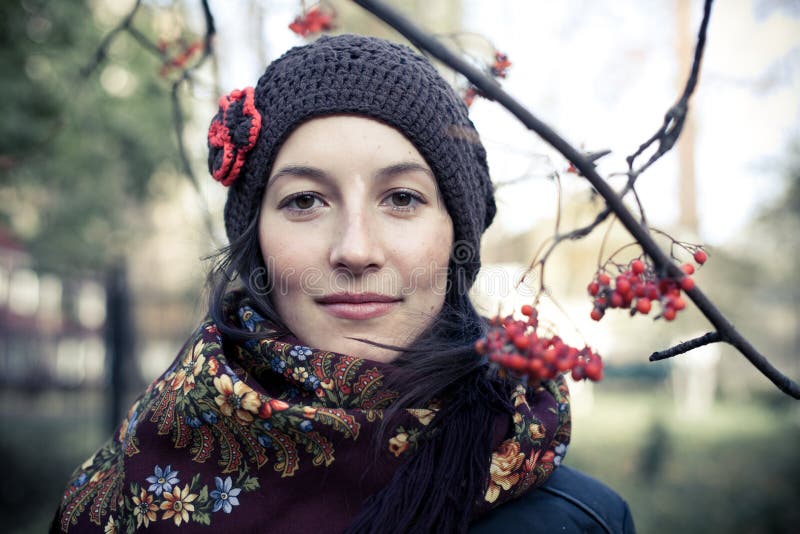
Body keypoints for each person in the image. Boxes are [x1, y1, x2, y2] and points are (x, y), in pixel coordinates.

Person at [51, 34, 634, 533]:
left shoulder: (579, 520)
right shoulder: (125, 487)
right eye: (304, 201)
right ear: (256, 240)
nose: (355, 249)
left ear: (457, 234)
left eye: (402, 198)